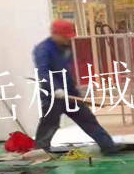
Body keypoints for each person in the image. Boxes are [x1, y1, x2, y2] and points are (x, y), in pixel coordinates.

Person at [32, 19, 120, 155]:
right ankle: (39, 153)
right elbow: (43, 72)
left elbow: (66, 71)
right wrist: (56, 89)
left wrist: (72, 90)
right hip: (52, 96)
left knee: (87, 119)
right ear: (55, 34)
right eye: (65, 36)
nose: (68, 39)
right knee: (49, 124)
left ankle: (108, 147)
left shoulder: (65, 47)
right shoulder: (43, 50)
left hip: (70, 93)